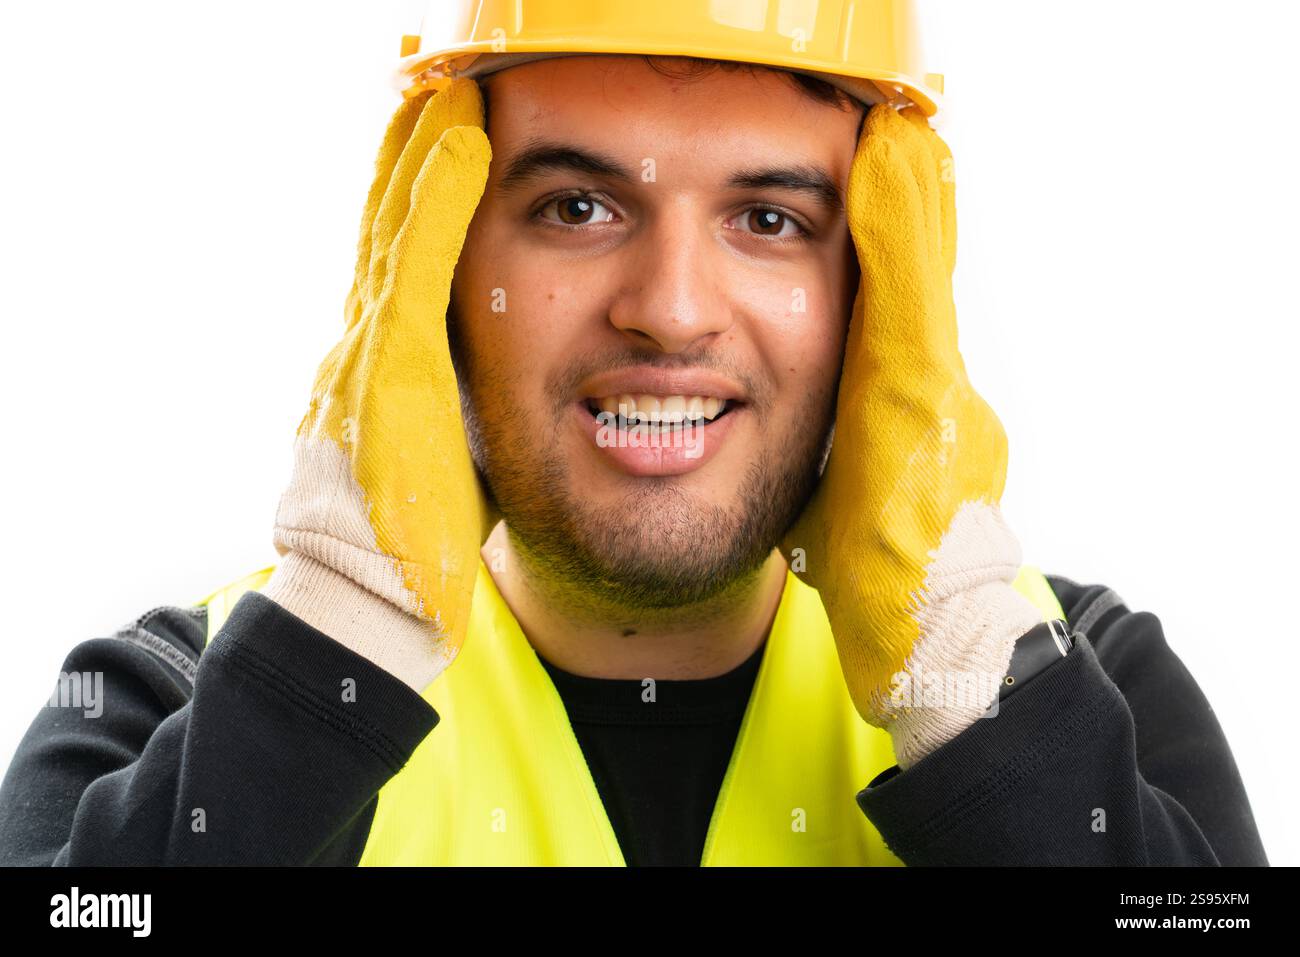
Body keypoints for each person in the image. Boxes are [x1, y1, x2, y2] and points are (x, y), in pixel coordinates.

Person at [0, 2, 1268, 866]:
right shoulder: (158, 702)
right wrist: (341, 632)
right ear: (435, 265)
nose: (667, 310)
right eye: (576, 205)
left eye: (769, 220)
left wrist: (968, 674)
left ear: (882, 288)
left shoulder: (1079, 683)